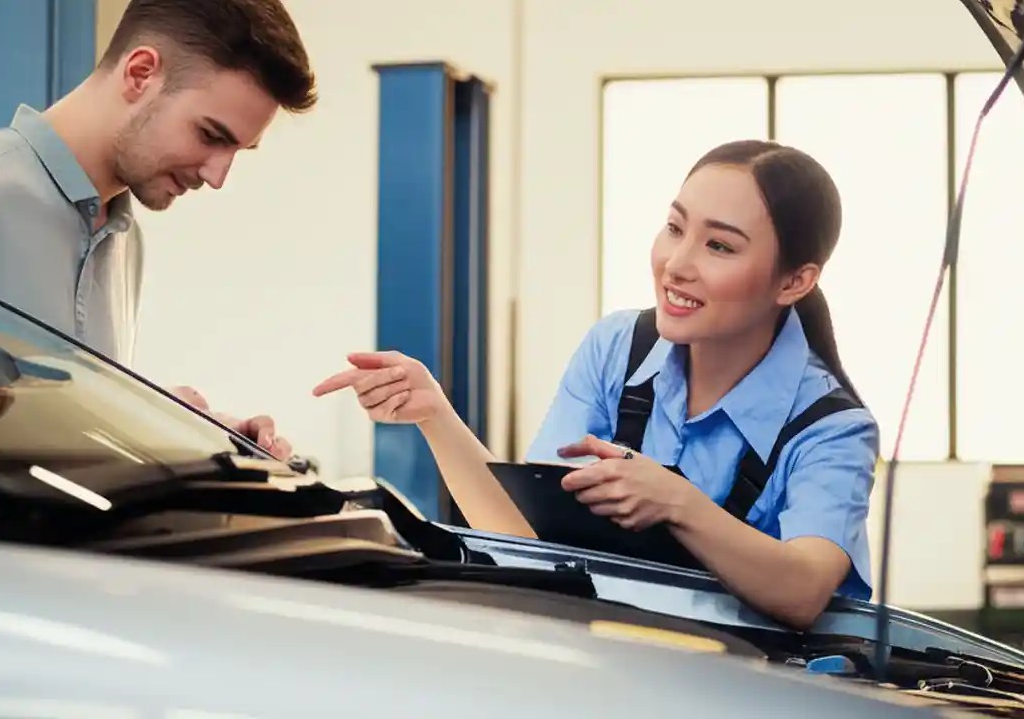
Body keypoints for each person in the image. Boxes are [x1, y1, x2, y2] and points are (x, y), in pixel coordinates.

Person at [313, 140, 880, 629]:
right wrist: (434, 416)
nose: (676, 264)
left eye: (720, 246)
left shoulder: (831, 428)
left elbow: (805, 590)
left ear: (795, 280)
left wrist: (676, 503)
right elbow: (528, 542)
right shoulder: (616, 350)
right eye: (675, 228)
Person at [0, 0, 318, 460]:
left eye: (237, 151)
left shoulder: (126, 239)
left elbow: (56, 433)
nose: (217, 176)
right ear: (140, 73)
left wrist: (182, 429)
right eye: (210, 135)